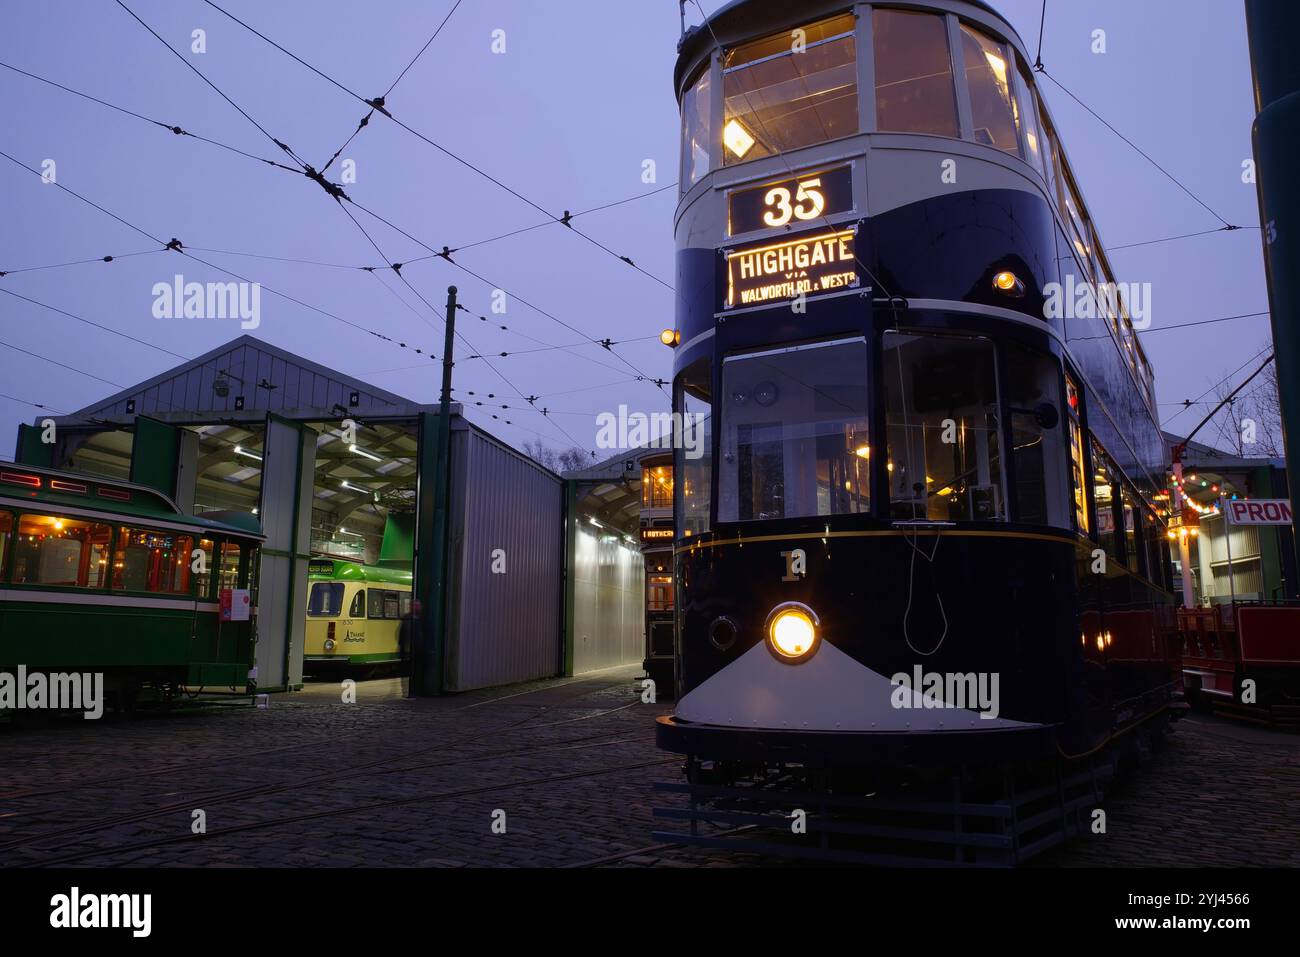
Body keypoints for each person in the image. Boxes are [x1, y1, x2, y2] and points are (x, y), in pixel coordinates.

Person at [398, 598, 423, 698]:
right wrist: (402, 648)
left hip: (418, 651)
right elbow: (401, 634)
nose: (416, 607)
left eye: (417, 606)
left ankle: (416, 691)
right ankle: (407, 692)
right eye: (414, 605)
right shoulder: (407, 618)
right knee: (407, 673)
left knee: (416, 672)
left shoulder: (421, 619)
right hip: (408, 651)